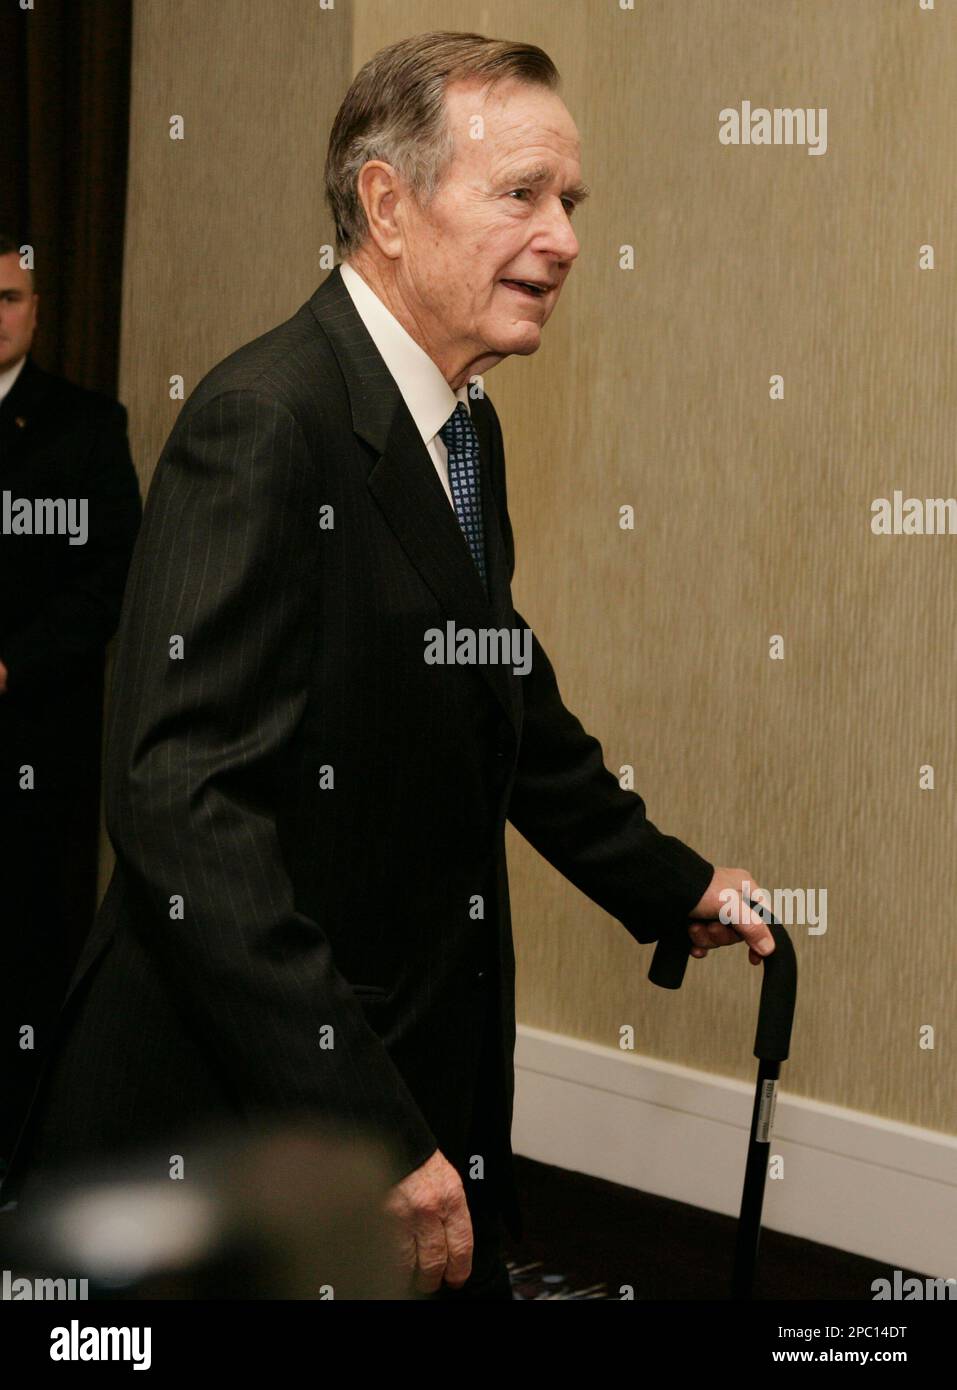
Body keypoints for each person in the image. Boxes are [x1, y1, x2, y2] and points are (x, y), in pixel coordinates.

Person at [0, 33, 774, 1301]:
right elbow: (180, 803)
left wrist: (669, 880)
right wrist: (359, 1108)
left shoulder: (462, 428)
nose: (567, 237)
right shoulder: (267, 420)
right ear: (387, 205)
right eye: (522, 193)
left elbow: (498, 684)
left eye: (569, 201)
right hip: (246, 1113)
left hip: (404, 1055)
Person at [0, 233, 142, 1164]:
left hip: (34, 731)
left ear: (38, 311)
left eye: (7, 297)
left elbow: (109, 576)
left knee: (25, 933)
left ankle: (22, 1134)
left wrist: (13, 665)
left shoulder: (87, 425)